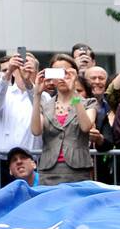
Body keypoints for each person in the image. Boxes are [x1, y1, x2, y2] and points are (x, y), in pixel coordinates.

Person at [30, 54, 96, 185]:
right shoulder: (46, 105)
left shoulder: (88, 103)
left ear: (74, 74)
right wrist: (37, 95)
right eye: (57, 73)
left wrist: (74, 92)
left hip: (78, 170)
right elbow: (36, 130)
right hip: (49, 170)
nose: (61, 78)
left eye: (65, 72)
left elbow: (86, 126)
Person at [0, 52, 44, 188]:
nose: (25, 68)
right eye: (21, 64)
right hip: (1, 163)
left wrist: (29, 84)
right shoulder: (3, 92)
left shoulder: (44, 96)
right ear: (14, 72)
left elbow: (39, 106)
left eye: (30, 65)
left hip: (31, 165)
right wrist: (8, 72)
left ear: (36, 72)